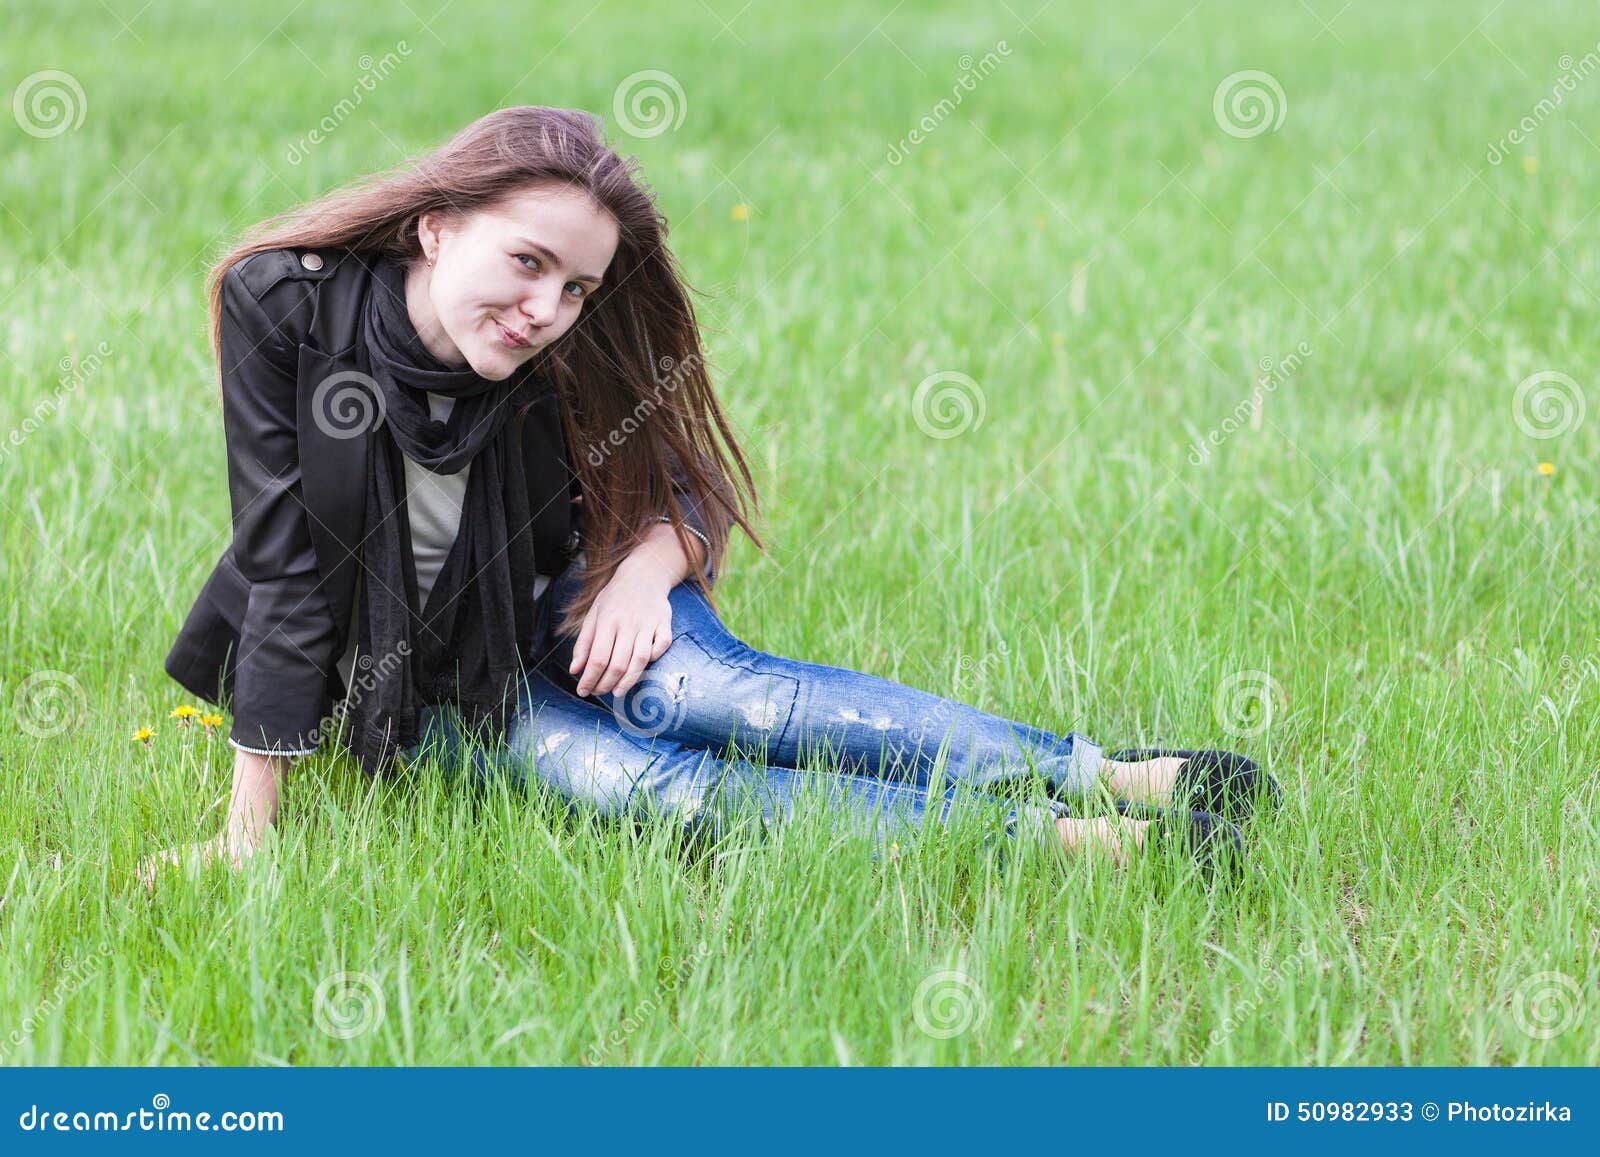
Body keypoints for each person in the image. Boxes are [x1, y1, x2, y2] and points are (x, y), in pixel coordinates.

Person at [140, 107, 1277, 893]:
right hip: (424, 674)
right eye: (527, 262)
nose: (545, 309)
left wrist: (641, 575)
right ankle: (1062, 839)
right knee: (643, 784)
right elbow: (288, 569)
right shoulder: (286, 306)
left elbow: (684, 480)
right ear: (437, 227)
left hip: (571, 595)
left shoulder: (560, 343)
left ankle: (1104, 771)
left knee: (727, 697)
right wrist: (249, 831)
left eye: (575, 286)